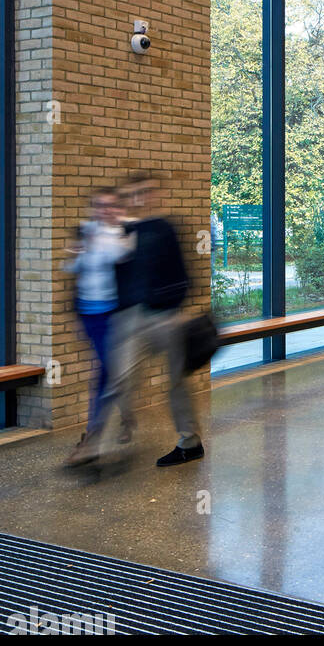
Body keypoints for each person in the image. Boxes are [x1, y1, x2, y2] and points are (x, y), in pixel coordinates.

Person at [97, 172, 205, 467]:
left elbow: (183, 274)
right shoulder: (123, 231)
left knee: (176, 381)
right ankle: (100, 445)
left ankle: (190, 442)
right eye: (134, 193)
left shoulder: (166, 229)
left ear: (156, 194)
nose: (140, 198)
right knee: (119, 379)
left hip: (165, 316)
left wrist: (176, 309)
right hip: (130, 318)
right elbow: (113, 274)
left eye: (146, 192)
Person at [61, 189, 133, 467]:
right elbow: (71, 268)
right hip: (88, 313)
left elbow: (123, 261)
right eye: (100, 206)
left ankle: (93, 436)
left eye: (110, 206)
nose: (105, 210)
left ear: (118, 208)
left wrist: (109, 245)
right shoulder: (87, 232)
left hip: (113, 314)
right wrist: (77, 253)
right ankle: (123, 416)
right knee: (108, 372)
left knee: (105, 372)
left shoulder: (124, 234)